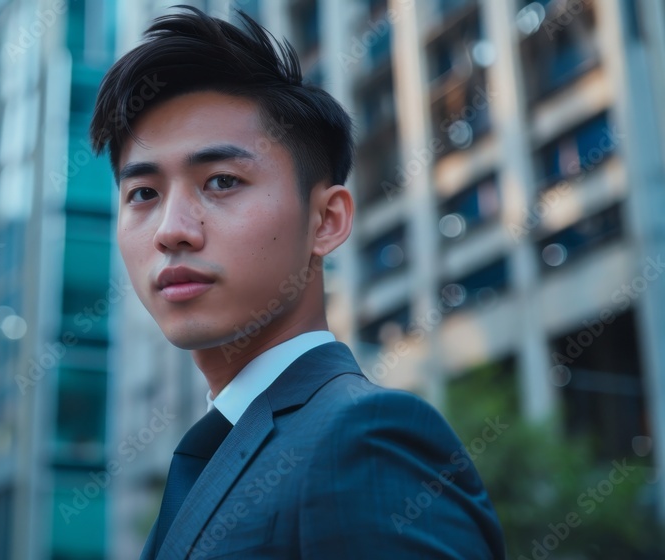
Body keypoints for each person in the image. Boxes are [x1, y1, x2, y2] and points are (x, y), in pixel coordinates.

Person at [88, 6, 506, 559]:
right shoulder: (219, 450)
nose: (172, 231)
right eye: (143, 193)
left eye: (220, 181)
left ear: (326, 221)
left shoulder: (366, 440)